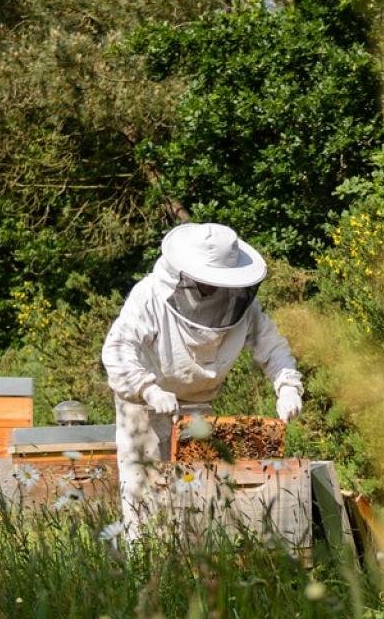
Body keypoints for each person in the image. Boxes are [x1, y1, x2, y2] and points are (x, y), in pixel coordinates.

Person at [103, 223, 303, 541]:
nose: (215, 288)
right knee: (145, 497)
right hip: (144, 405)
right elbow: (117, 350)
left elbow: (271, 346)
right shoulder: (149, 296)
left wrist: (287, 384)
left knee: (196, 497)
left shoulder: (241, 302)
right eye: (208, 280)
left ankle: (191, 576)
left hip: (199, 406)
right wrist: (148, 388)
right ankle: (144, 577)